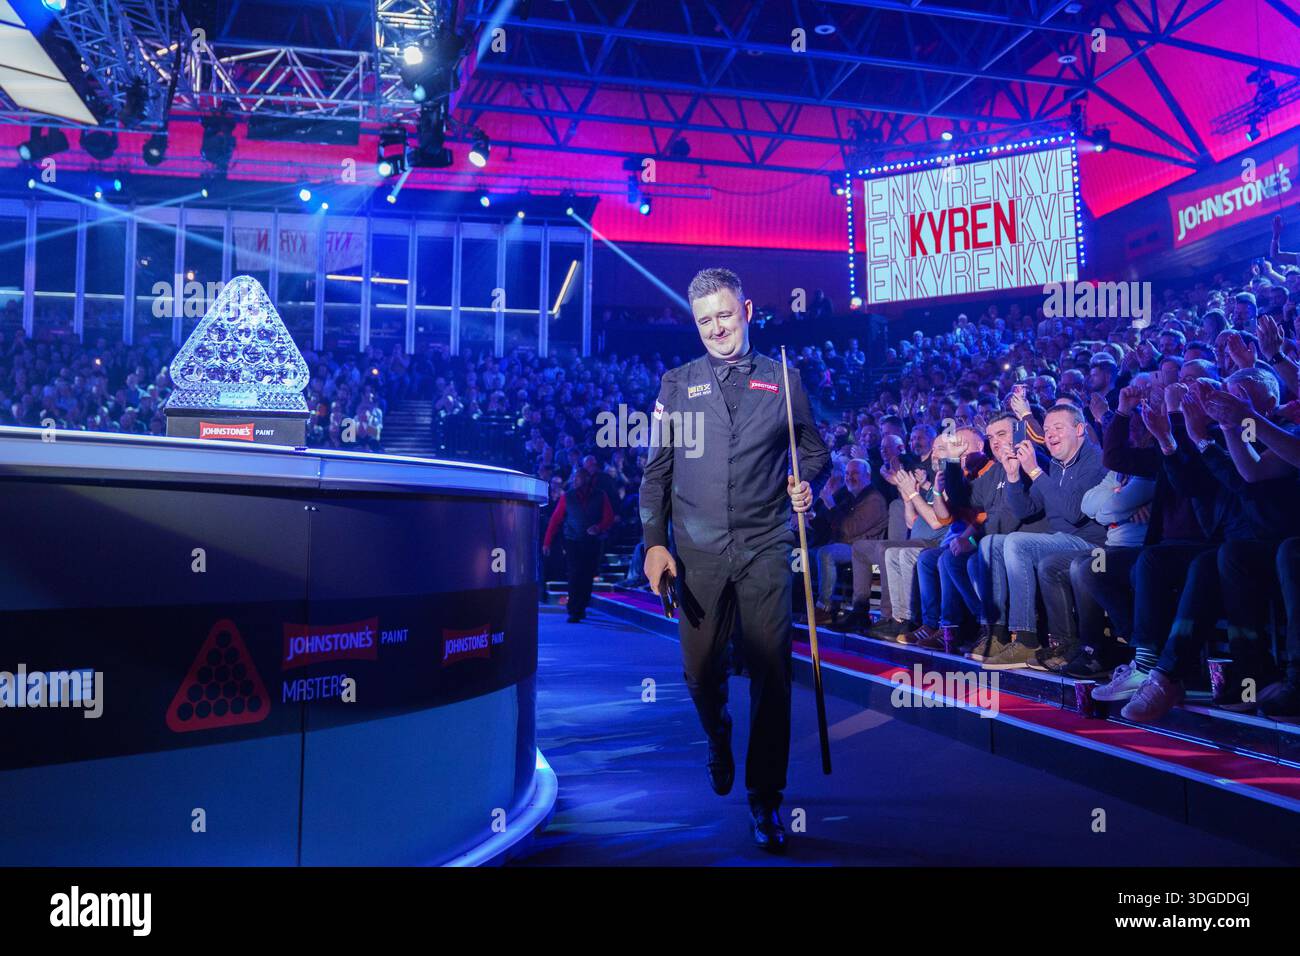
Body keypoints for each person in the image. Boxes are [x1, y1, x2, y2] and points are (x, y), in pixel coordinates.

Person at [640, 266, 829, 854]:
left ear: (746, 311)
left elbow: (815, 452)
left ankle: (766, 796)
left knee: (772, 673)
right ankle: (717, 732)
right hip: (695, 556)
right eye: (704, 320)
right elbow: (656, 473)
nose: (716, 328)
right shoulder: (674, 384)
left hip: (767, 545)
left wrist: (806, 484)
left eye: (724, 314)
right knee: (699, 673)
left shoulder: (785, 380)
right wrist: (653, 541)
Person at [543, 467, 616, 623]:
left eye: (578, 477)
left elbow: (609, 517)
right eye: (575, 477)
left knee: (588, 575)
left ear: (586, 479)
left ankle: (581, 607)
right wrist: (547, 542)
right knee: (575, 573)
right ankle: (574, 610)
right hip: (572, 540)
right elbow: (555, 520)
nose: (575, 480)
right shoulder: (567, 497)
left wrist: (598, 527)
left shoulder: (600, 495)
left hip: (592, 542)